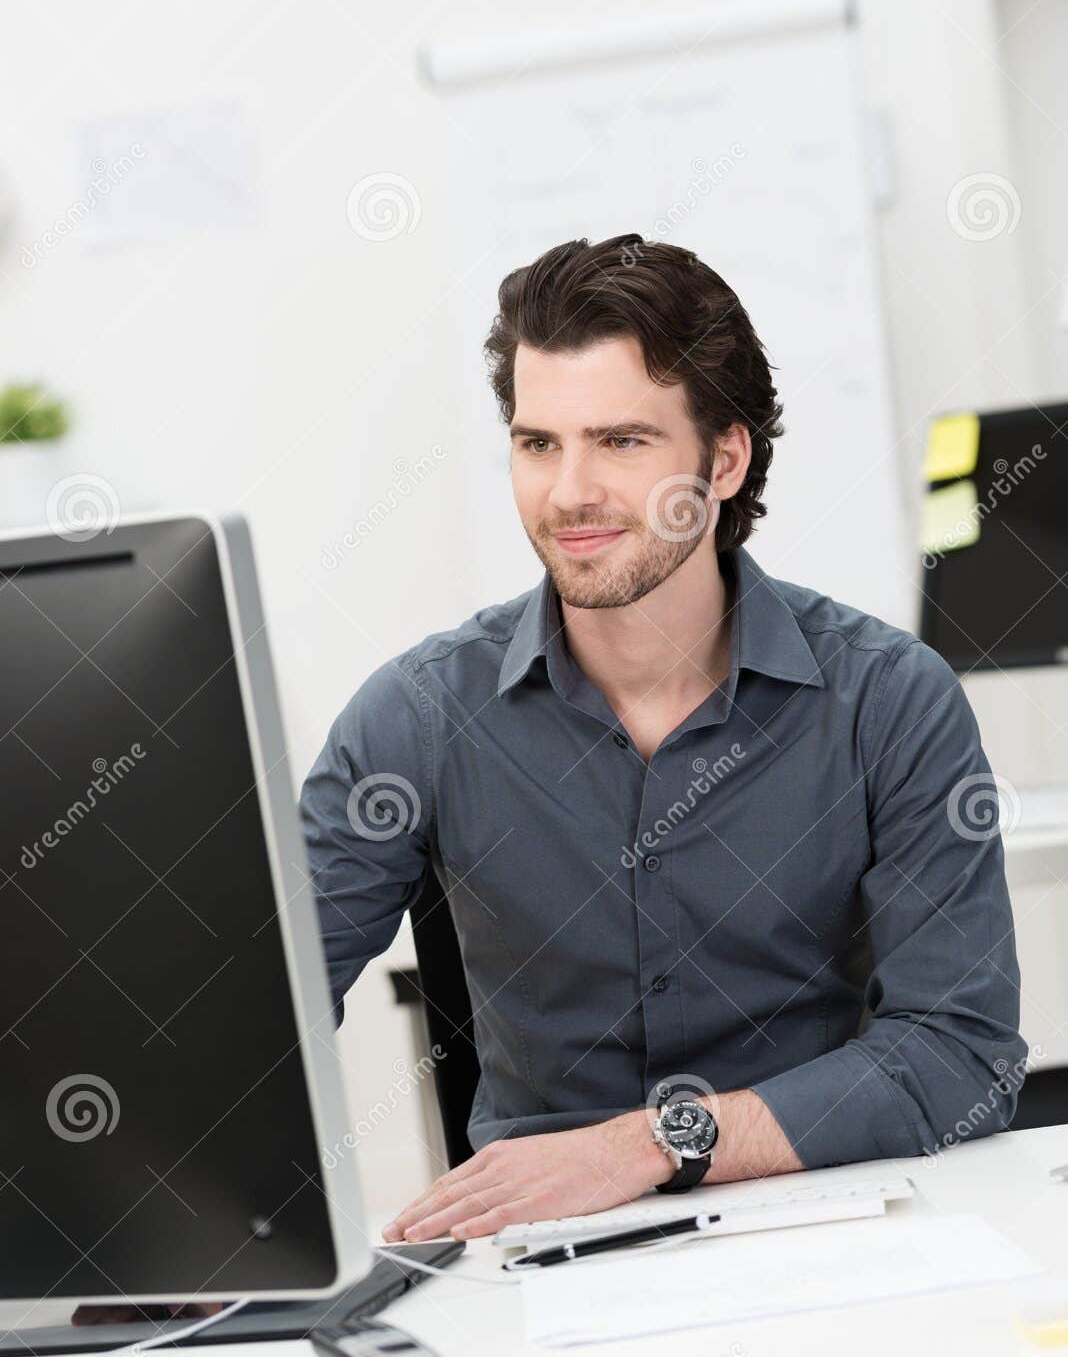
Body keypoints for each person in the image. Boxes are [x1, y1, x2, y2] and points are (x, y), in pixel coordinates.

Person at [300, 233, 1025, 1247]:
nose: (569, 493)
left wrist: (648, 1142)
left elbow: (962, 1058)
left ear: (723, 459)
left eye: (622, 442)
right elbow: (262, 1014)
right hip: (542, 1258)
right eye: (538, 442)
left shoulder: (887, 699)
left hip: (828, 1224)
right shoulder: (418, 716)